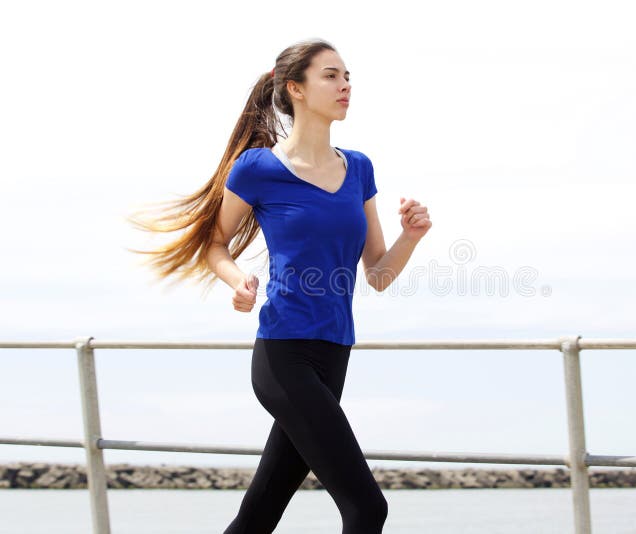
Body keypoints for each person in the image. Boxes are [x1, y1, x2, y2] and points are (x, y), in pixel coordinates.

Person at [126, 37, 432, 534]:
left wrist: (412, 236)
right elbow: (215, 244)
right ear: (295, 88)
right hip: (283, 355)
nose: (345, 86)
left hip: (335, 352)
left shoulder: (359, 169)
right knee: (367, 507)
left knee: (258, 515)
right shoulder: (258, 169)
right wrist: (237, 282)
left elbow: (377, 273)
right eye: (331, 75)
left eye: (348, 75)